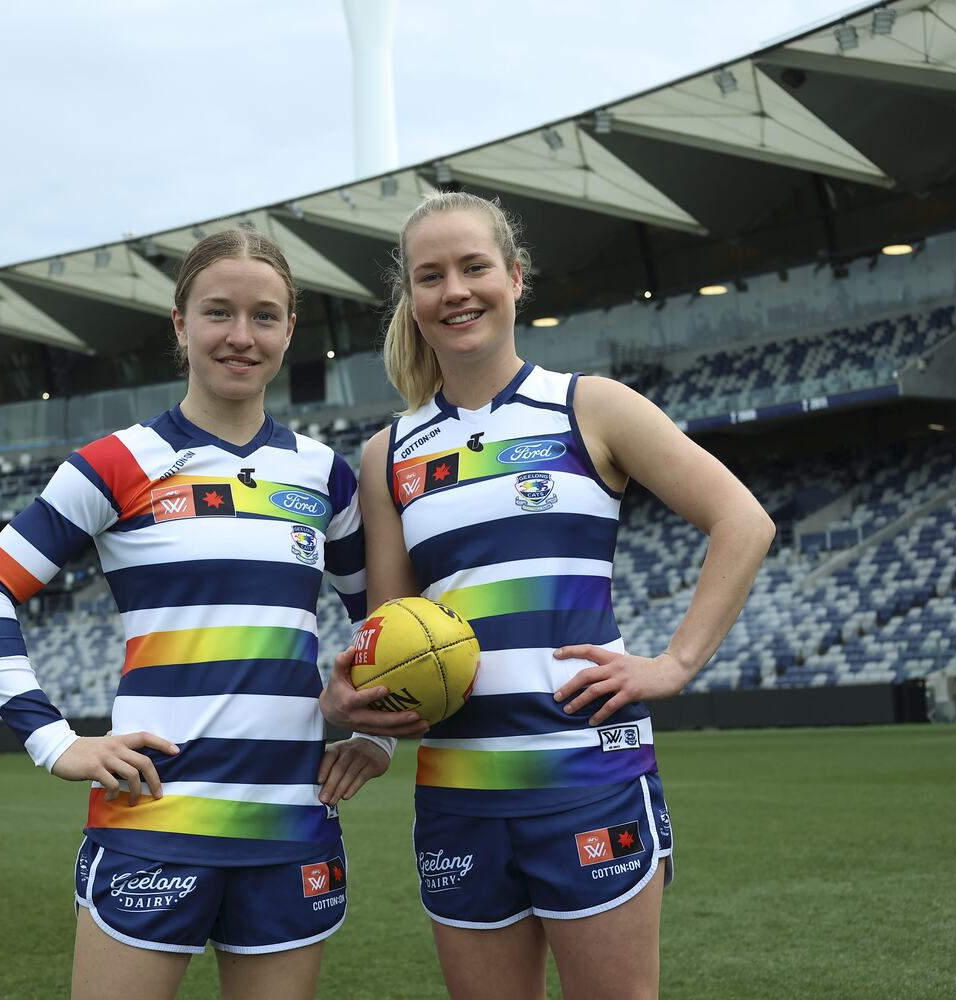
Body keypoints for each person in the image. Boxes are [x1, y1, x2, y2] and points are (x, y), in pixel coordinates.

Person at [321, 192, 775, 999]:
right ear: (412, 301)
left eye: (473, 267)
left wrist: (674, 664)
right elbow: (389, 631)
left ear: (515, 277)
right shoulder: (387, 453)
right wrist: (360, 711)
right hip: (460, 793)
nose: (455, 290)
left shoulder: (588, 405)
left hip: (587, 778)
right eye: (431, 276)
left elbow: (743, 520)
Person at [0, 229, 420, 1000]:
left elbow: (391, 628)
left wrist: (374, 734)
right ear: (179, 323)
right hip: (153, 818)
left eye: (265, 316)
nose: (241, 336)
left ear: (289, 330)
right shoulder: (114, 463)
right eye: (218, 313)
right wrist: (52, 740)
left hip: (288, 825)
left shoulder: (324, 476)